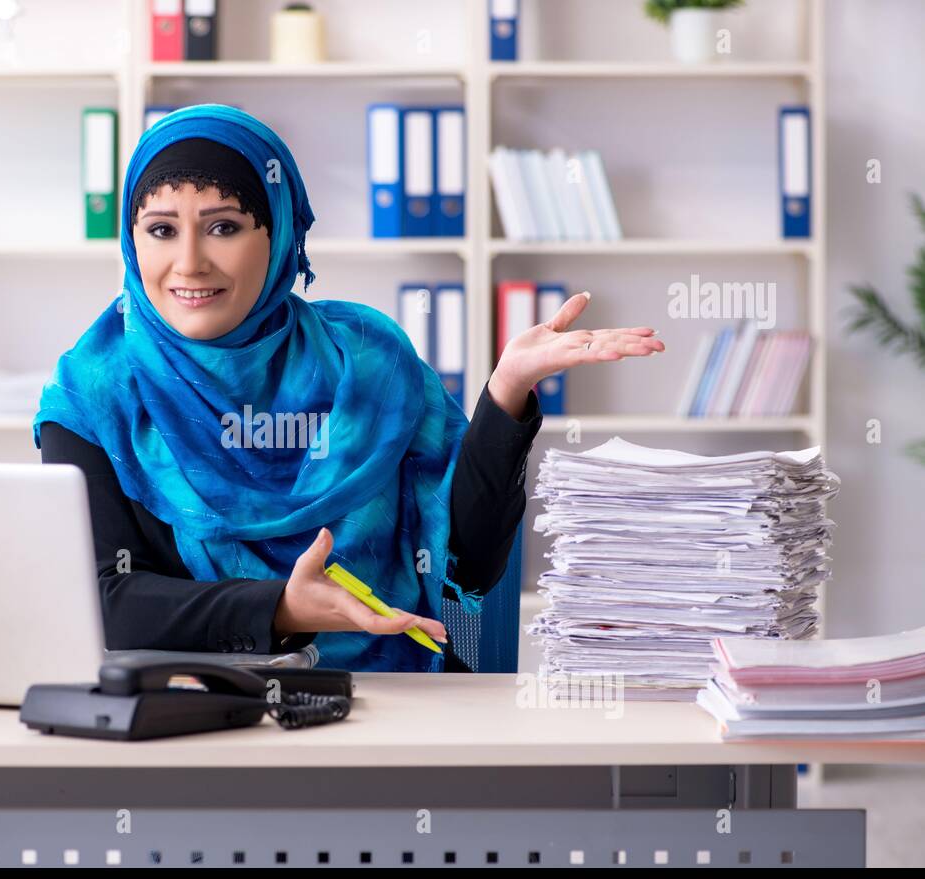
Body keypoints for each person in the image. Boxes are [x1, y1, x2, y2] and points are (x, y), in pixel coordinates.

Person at [34, 104, 662, 672]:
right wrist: (281, 608)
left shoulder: (367, 361)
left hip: (398, 709)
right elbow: (100, 601)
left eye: (224, 226)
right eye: (162, 230)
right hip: (196, 721)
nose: (191, 261)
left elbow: (467, 566)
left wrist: (506, 393)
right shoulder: (93, 394)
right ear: (131, 238)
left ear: (279, 234)